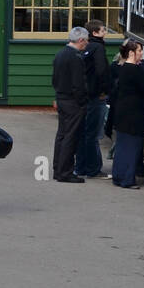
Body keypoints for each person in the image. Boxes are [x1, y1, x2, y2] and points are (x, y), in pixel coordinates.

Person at [107, 40, 144, 188]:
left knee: (122, 145)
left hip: (122, 112)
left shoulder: (123, 68)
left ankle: (118, 176)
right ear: (131, 53)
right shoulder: (135, 70)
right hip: (134, 114)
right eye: (139, 50)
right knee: (133, 147)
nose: (142, 53)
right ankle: (127, 179)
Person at [51, 26, 89, 182]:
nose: (87, 44)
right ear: (80, 40)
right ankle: (65, 172)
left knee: (62, 134)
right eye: (86, 41)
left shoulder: (60, 54)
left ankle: (58, 169)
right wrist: (82, 102)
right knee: (70, 137)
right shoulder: (76, 58)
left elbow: (54, 80)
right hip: (73, 102)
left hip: (61, 98)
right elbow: (78, 84)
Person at [76, 20, 112, 178]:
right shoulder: (98, 48)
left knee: (84, 132)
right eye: (103, 30)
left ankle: (80, 166)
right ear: (95, 33)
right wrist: (105, 90)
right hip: (96, 96)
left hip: (84, 95)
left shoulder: (86, 48)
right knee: (93, 133)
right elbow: (101, 71)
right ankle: (94, 168)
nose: (105, 32)